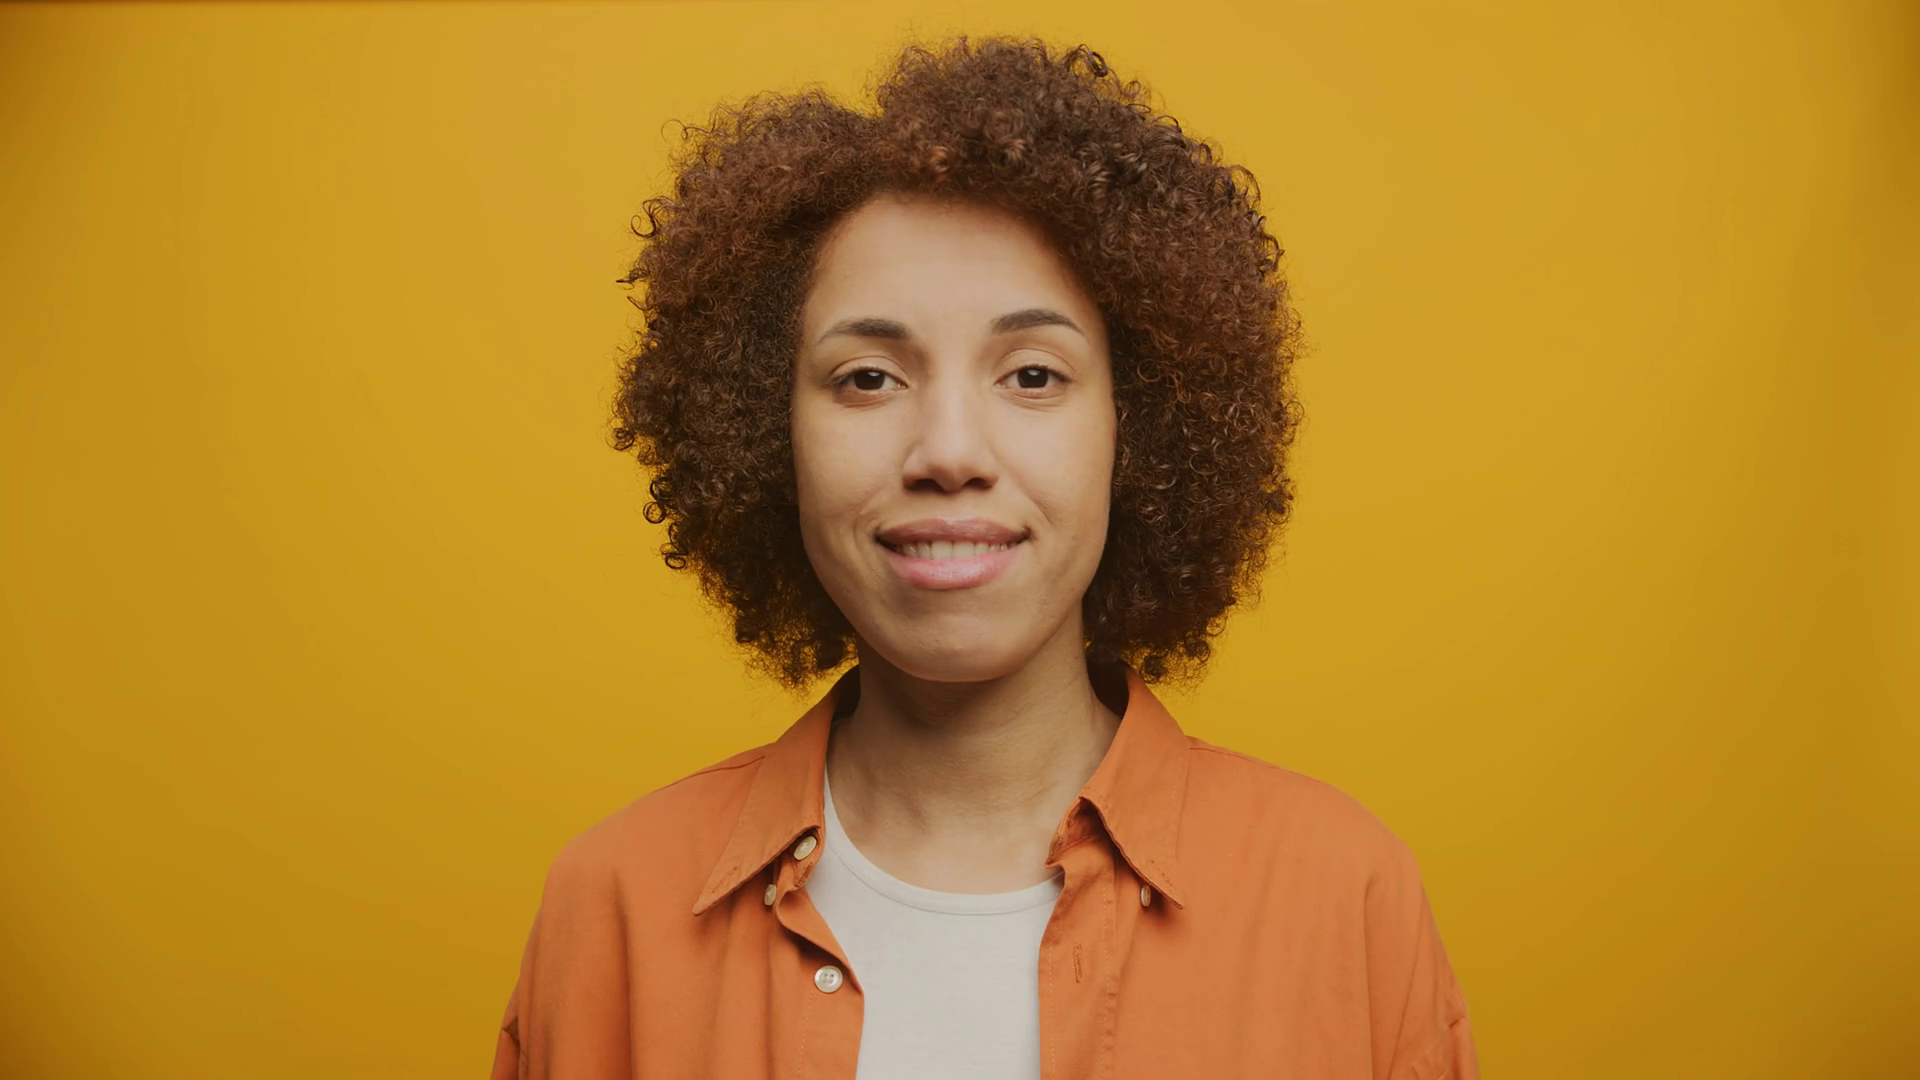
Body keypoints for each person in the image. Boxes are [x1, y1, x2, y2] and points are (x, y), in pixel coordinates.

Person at [491, 36, 1477, 1080]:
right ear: (766, 430)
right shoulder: (612, 910)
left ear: (1137, 427)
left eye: (1033, 376)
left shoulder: (1345, 898)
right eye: (869, 378)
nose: (949, 452)